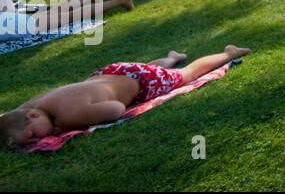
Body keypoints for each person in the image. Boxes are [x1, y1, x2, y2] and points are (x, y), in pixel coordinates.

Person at [1, 45, 251, 148]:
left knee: (187, 74)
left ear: (33, 116)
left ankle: (227, 52)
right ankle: (172, 57)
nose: (39, 139)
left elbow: (116, 109)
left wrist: (63, 127)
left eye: (34, 134)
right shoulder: (32, 105)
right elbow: (7, 117)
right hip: (111, 72)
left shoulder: (68, 115)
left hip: (140, 82)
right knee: (153, 67)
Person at [1, 0, 135, 41]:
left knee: (70, 16)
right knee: (56, 10)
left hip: (20, 24)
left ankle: (121, 1)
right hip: (15, 20)